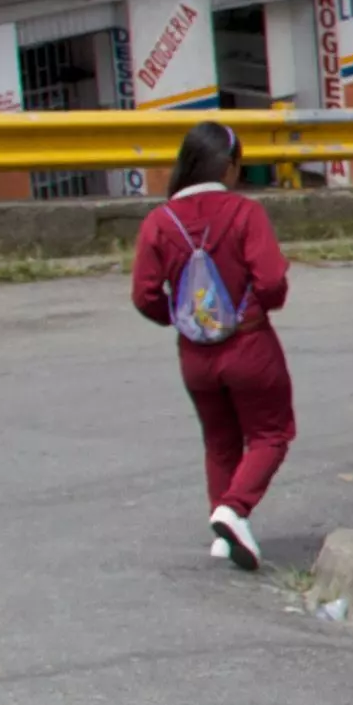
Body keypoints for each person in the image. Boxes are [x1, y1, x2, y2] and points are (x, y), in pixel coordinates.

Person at [133, 119, 295, 570]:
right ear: (228, 166)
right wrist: (263, 306)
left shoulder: (158, 223)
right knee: (271, 434)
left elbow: (144, 296)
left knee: (220, 442)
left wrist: (181, 321)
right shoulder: (245, 214)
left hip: (195, 357)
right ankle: (235, 510)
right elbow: (272, 281)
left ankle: (223, 537)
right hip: (249, 346)